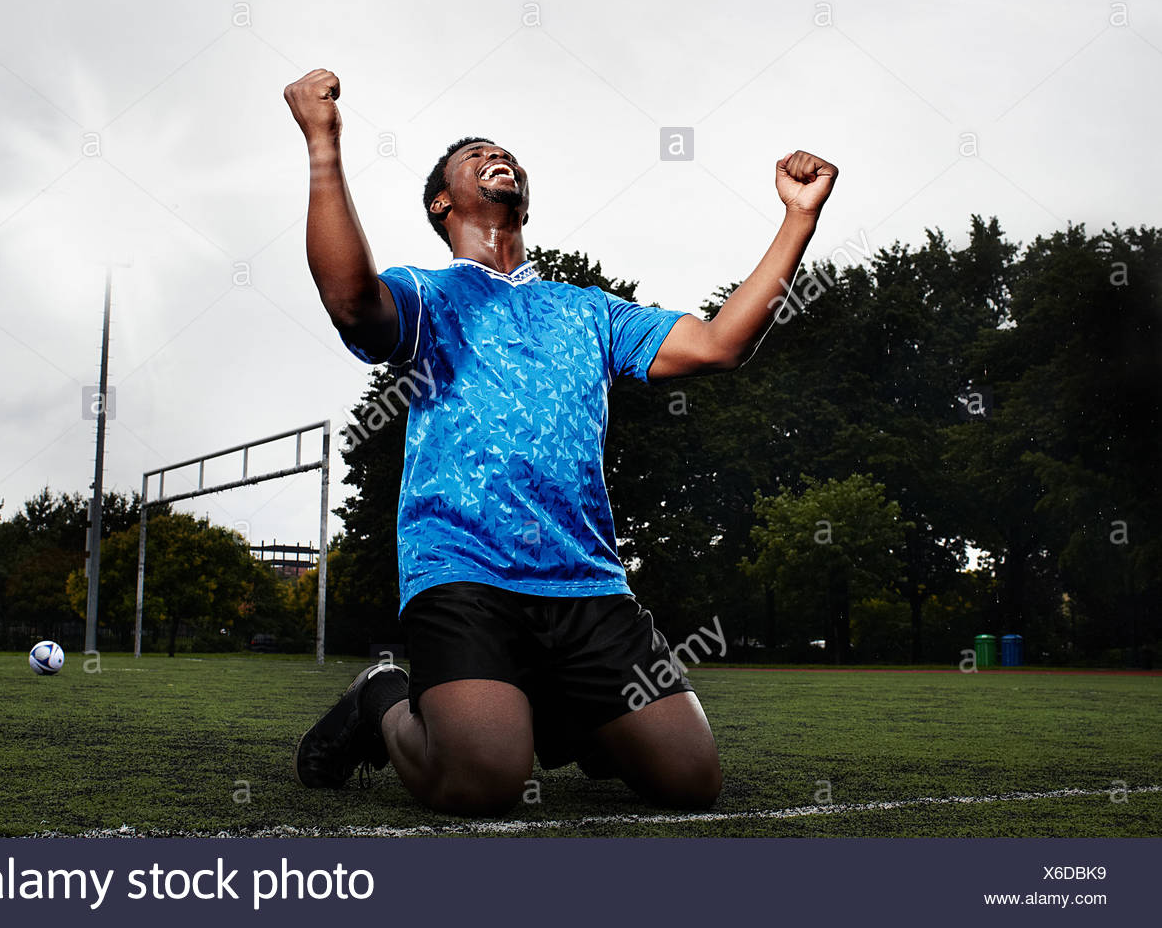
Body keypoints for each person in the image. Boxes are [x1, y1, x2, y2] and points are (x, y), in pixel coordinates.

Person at [284, 68, 837, 816]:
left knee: (689, 782)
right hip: (466, 573)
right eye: (474, 152)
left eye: (504, 149)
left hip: (587, 584)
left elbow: (715, 345)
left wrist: (797, 219)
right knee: (483, 784)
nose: (496, 153)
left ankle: (558, 711)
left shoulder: (585, 310)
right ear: (441, 202)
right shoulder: (427, 293)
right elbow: (352, 303)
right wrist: (324, 143)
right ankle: (382, 696)